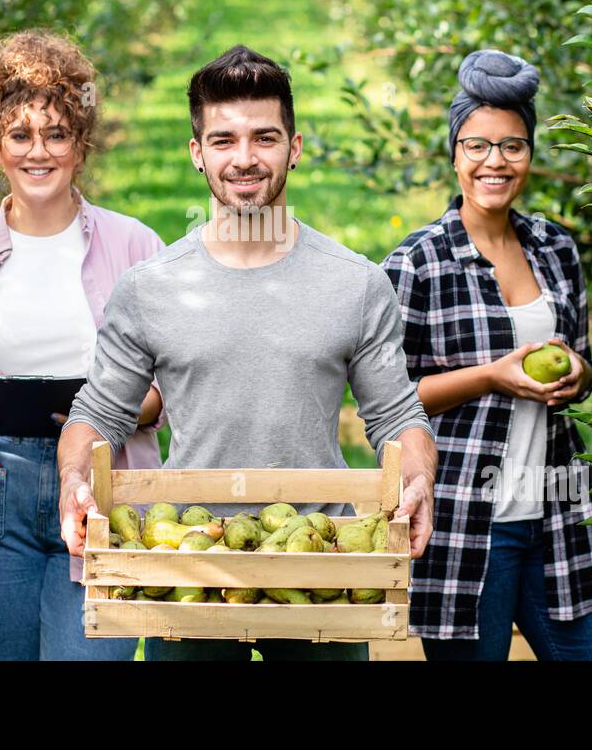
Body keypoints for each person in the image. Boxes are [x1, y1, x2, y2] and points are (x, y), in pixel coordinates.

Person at [56, 44, 438, 661]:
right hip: (189, 569)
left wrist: (417, 479)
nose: (244, 159)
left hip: (322, 563)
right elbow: (97, 414)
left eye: (264, 138)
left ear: (295, 147)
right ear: (197, 154)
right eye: (224, 140)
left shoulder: (355, 283)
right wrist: (75, 478)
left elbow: (397, 417)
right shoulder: (150, 289)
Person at [0, 29, 166, 660]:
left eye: (56, 134)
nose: (38, 152)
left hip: (105, 488)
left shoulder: (136, 248)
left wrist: (122, 409)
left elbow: (175, 383)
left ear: (80, 145)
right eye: (20, 135)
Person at [382, 48, 592, 661]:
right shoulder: (416, 263)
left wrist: (578, 375)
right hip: (466, 523)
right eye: (477, 146)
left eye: (512, 146)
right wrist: (492, 377)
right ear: (455, 154)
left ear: (531, 154)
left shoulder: (555, 247)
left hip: (561, 519)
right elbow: (388, 405)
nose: (495, 162)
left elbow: (587, 366)